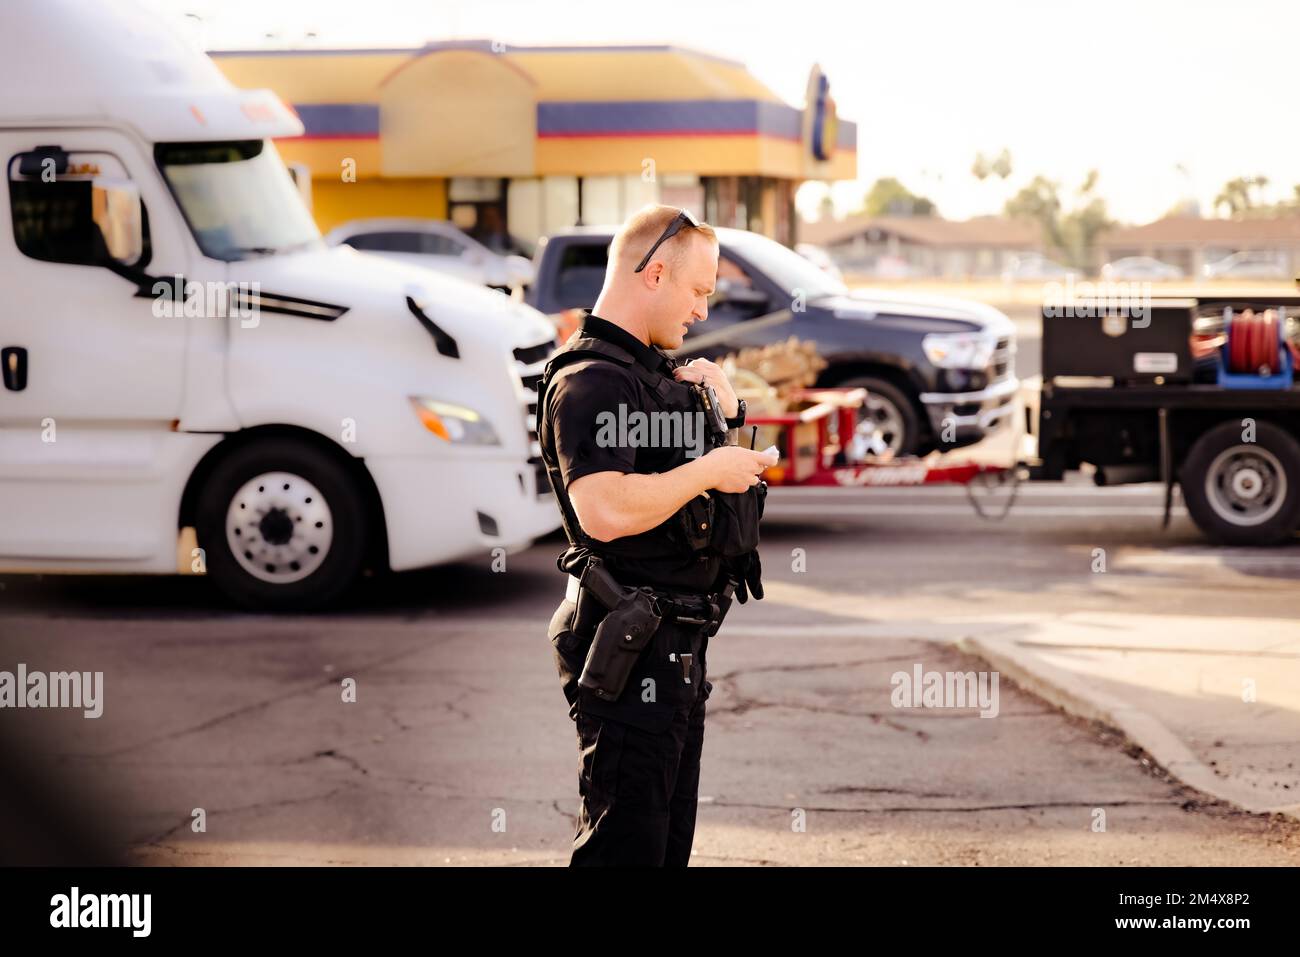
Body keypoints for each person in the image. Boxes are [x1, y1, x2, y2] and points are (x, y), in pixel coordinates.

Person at [537, 205, 775, 866]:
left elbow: (680, 499)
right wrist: (709, 467)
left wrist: (723, 412)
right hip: (631, 647)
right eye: (699, 290)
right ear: (656, 272)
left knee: (664, 849)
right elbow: (604, 509)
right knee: (625, 851)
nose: (703, 309)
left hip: (673, 646)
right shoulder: (593, 381)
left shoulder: (649, 376)